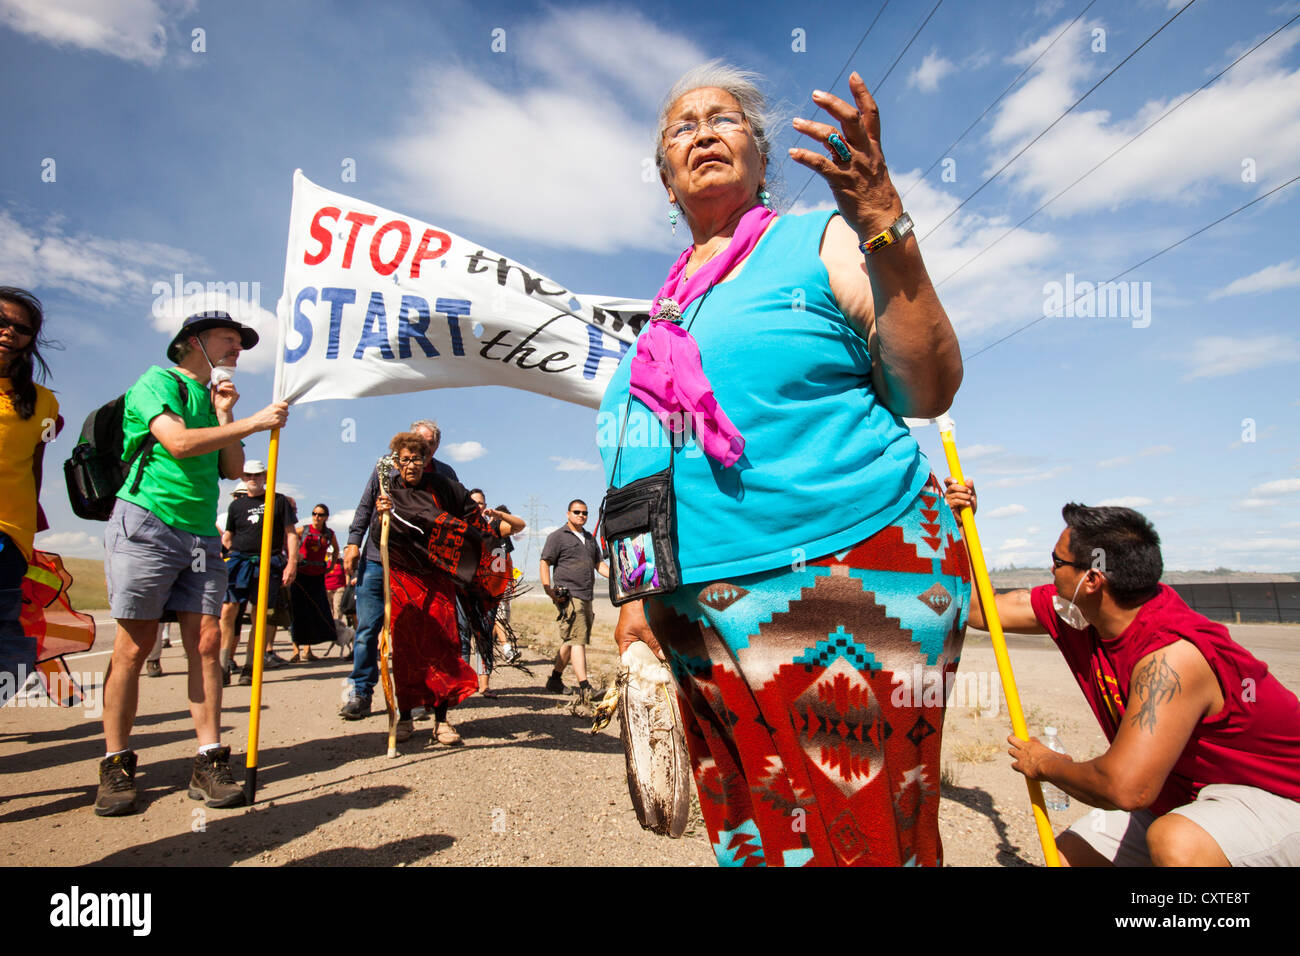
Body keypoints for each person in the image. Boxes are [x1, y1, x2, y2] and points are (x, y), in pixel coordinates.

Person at [600, 63, 966, 867]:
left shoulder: (817, 240)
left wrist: (882, 217)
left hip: (841, 573)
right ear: (667, 182)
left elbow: (929, 385)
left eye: (724, 118)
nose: (701, 129)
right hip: (695, 605)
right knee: (762, 842)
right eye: (681, 125)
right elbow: (639, 463)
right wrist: (637, 600)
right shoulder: (664, 310)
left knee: (860, 840)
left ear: (761, 161)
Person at [944, 479, 1300, 867]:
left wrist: (1043, 762)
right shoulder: (1079, 614)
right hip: (1185, 795)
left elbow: (1125, 788)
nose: (1051, 570)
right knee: (1066, 857)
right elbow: (983, 611)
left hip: (1276, 796)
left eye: (1058, 561)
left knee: (1177, 843)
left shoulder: (1172, 654)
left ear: (1092, 579)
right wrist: (962, 528)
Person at [96, 310, 288, 816]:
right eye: (228, 338)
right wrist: (256, 421)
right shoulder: (156, 381)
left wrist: (226, 415)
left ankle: (208, 759)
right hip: (147, 522)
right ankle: (116, 764)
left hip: (201, 533)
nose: (237, 348)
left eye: (241, 342)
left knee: (206, 642)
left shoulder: (210, 397)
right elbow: (178, 444)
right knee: (134, 646)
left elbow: (229, 467)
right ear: (192, 342)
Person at [372, 432, 501, 745]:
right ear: (396, 463)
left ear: (426, 460)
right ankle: (404, 717)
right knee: (406, 647)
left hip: (438, 575)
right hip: (403, 579)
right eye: (405, 459)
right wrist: (381, 516)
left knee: (444, 643)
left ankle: (441, 720)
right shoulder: (388, 491)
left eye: (417, 458)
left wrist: (466, 540)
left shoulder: (443, 486)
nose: (411, 464)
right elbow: (379, 538)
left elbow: (471, 515)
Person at [340, 419, 458, 718]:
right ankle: (360, 692)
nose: (422, 447)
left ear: (435, 446)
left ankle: (415, 696)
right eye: (416, 441)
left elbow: (452, 518)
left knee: (413, 632)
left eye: (428, 443)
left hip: (417, 566)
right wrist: (353, 542)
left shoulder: (443, 475)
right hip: (378, 560)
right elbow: (365, 506)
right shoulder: (385, 468)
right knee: (369, 628)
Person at [0, 288, 60, 706]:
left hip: (8, 534)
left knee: (8, 643)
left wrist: (29, 536)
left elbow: (36, 467)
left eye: (21, 328)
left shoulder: (43, 404)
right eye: (2, 322)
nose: (9, 332)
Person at [219, 459, 298, 686]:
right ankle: (223, 665)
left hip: (267, 562)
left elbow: (291, 533)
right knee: (227, 612)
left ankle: (250, 666)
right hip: (238, 561)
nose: (252, 479)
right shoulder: (236, 506)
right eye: (248, 475)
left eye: (256, 475)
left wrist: (291, 562)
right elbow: (228, 536)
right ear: (242, 478)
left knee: (260, 615)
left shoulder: (278, 500)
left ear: (264, 475)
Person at [540, 499, 609, 701]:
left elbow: (599, 565)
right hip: (569, 595)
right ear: (568, 513)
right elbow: (545, 562)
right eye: (577, 512)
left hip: (587, 594)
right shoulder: (558, 537)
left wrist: (617, 576)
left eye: (585, 513)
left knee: (572, 638)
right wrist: (547, 589)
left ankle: (555, 679)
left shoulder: (589, 538)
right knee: (578, 639)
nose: (581, 515)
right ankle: (585, 687)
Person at [468, 489, 525, 697]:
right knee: (464, 638)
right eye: (473, 503)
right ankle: (463, 683)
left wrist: (499, 515)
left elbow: (519, 525)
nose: (477, 506)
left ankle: (484, 685)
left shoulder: (493, 527)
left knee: (484, 637)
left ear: (485, 505)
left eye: (481, 503)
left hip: (489, 592)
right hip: (466, 590)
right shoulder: (462, 525)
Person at [289, 502, 341, 661]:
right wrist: (292, 560)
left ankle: (307, 649)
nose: (316, 517)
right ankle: (295, 650)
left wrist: (330, 566)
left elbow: (336, 550)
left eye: (320, 514)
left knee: (314, 612)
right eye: (314, 513)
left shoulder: (329, 534)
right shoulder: (302, 530)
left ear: (326, 517)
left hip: (317, 576)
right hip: (300, 576)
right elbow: (289, 539)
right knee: (297, 612)